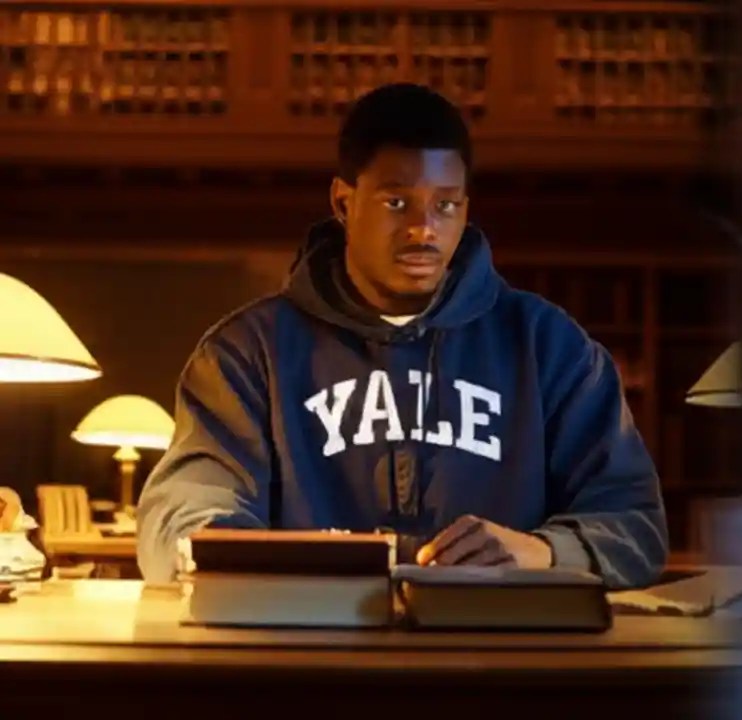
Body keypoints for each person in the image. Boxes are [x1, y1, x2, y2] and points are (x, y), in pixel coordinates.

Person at [137, 83, 668, 589]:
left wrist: (542, 552)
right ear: (343, 203)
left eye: (446, 205)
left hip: (504, 659)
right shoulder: (247, 354)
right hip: (303, 656)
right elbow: (182, 512)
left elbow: (636, 527)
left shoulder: (550, 347)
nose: (423, 230)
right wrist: (232, 554)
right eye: (397, 204)